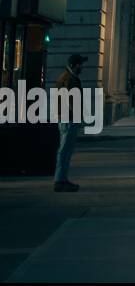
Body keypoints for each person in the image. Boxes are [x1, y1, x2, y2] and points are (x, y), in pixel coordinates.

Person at [53, 54, 86, 192]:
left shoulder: (66, 77)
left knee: (65, 150)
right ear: (74, 65)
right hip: (69, 118)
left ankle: (62, 179)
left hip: (65, 117)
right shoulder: (69, 79)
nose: (82, 67)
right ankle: (60, 180)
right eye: (80, 64)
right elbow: (71, 101)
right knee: (65, 151)